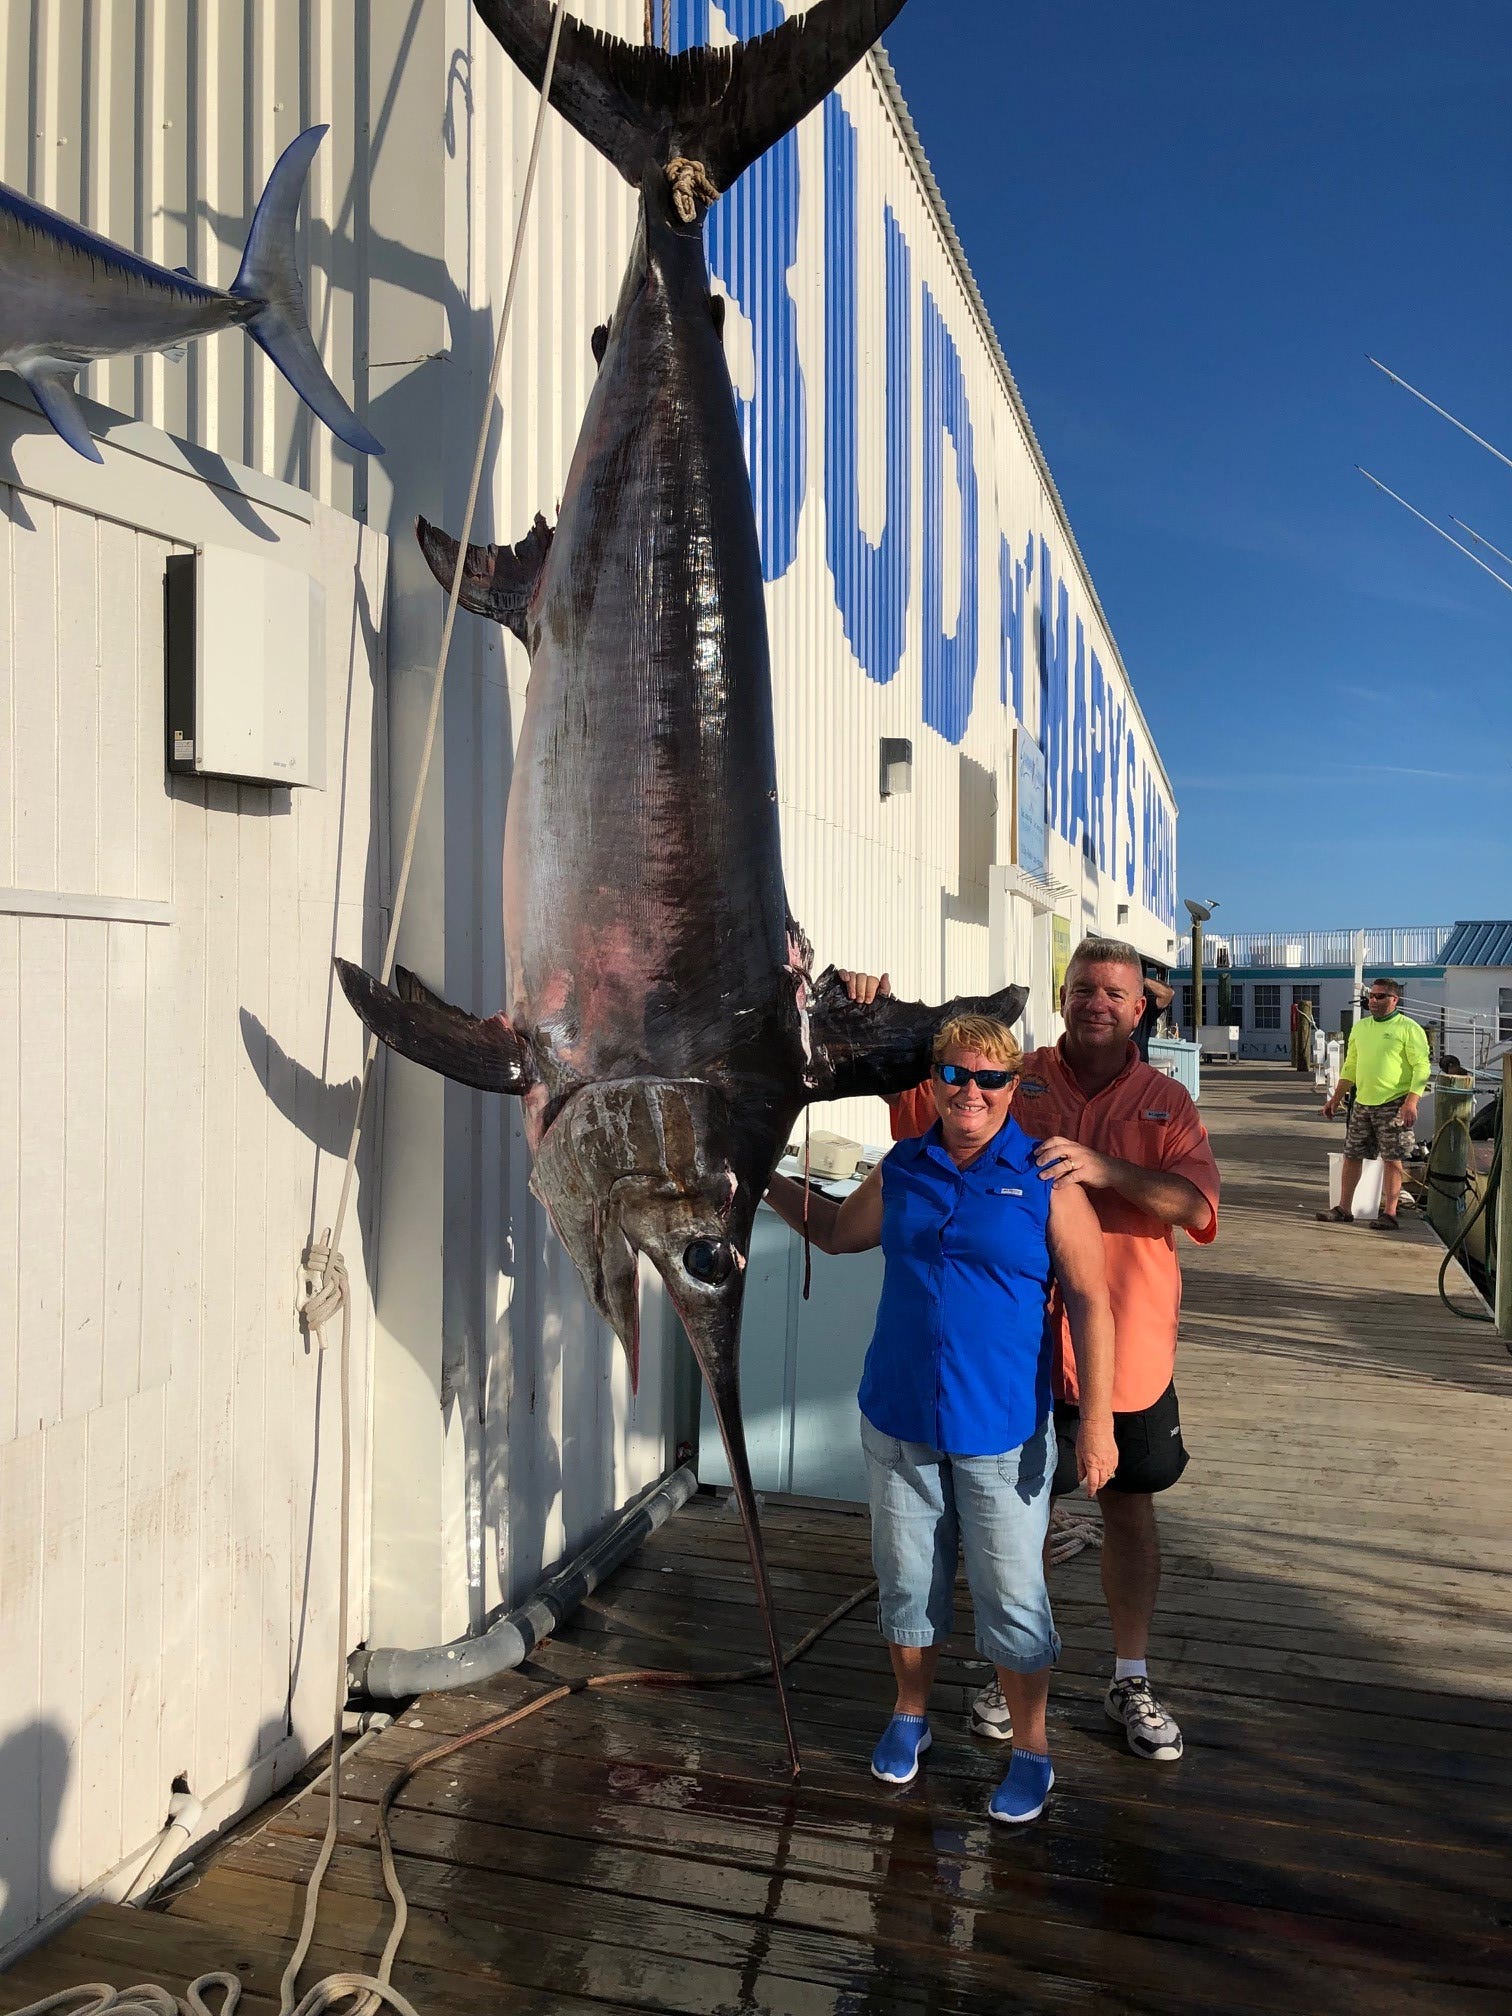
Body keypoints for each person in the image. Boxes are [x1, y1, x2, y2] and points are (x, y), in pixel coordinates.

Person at [844, 939, 1220, 1763]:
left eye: (1115, 993)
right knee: (1019, 1521)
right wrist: (877, 1011)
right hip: (1012, 1361)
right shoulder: (1013, 1072)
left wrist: (1104, 1167)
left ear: (1140, 1007)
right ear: (1062, 995)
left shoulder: (1167, 1101)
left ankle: (1130, 1672)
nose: (1098, 1002)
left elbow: (1193, 1205)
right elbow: (925, 1107)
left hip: (1128, 1347)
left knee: (1126, 1506)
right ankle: (1006, 1675)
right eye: (1084, 987)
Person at [764, 1015, 1116, 1824]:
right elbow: (831, 1231)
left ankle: (1031, 1750)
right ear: (933, 1083)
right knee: (907, 1583)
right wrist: (757, 1178)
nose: (972, 1093)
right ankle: (911, 1714)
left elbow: (1094, 1301)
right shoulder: (904, 1167)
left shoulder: (1046, 1176)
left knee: (1013, 1596)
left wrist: (1093, 1424)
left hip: (1002, 1432)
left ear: (1012, 1088)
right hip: (898, 1419)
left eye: (991, 1079)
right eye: (956, 1076)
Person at [1318, 977, 1430, 1231]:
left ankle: (1389, 1212)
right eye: (1372, 996)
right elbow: (1351, 1066)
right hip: (1362, 1102)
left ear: (1394, 1000)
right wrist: (1335, 1100)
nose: (1374, 1001)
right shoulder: (1360, 1027)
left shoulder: (1409, 1028)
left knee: (1392, 1159)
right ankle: (1344, 1208)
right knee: (1352, 1155)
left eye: (1380, 996)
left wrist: (1411, 1102)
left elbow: (1421, 1067)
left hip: (1394, 1102)